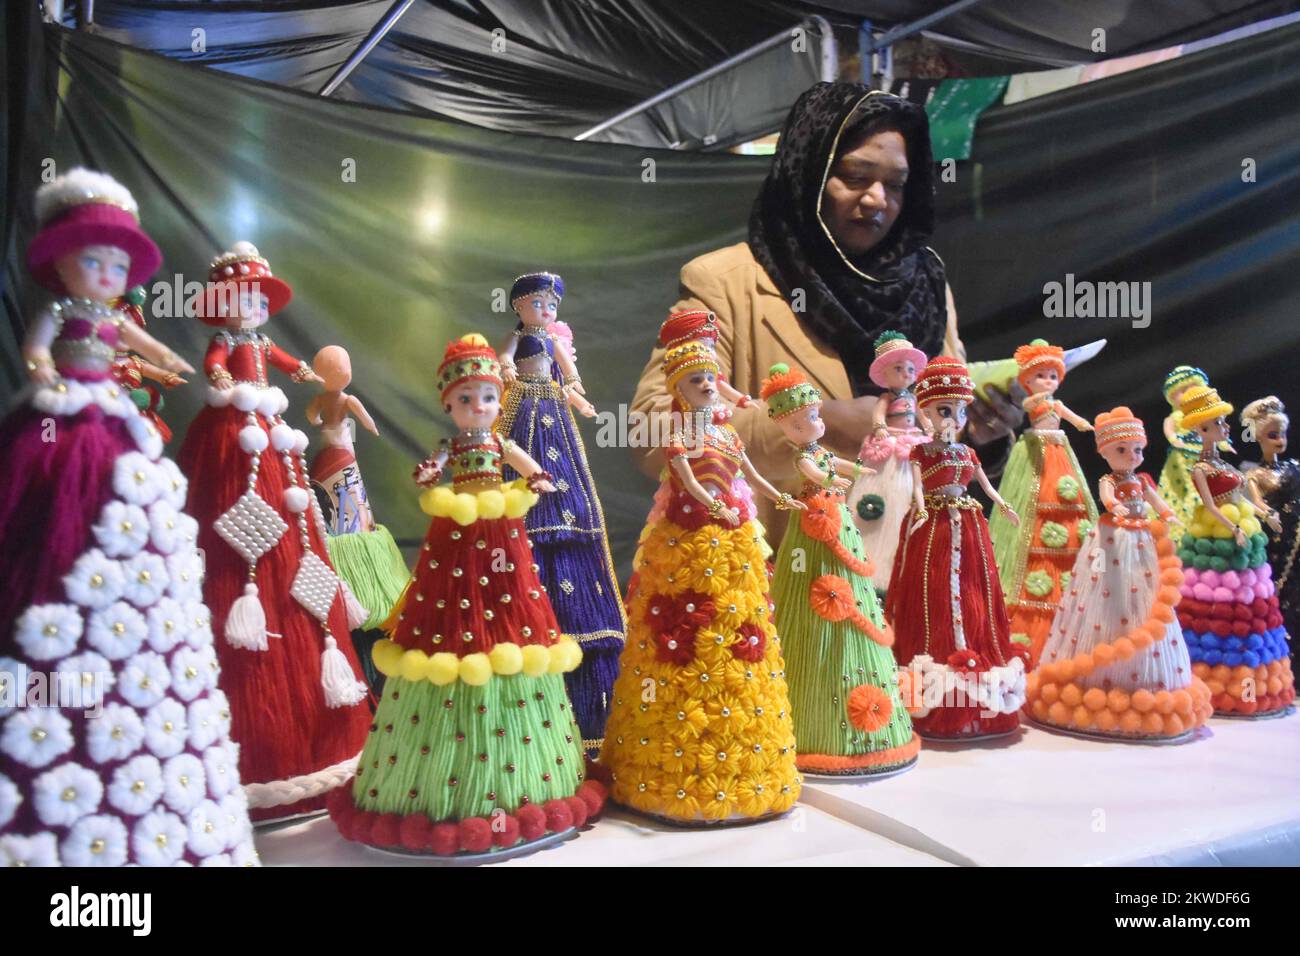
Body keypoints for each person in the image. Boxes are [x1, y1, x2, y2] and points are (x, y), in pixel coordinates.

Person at [629, 82, 1021, 537]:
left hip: (915, 575)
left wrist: (981, 437)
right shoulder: (725, 282)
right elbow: (650, 433)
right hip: (787, 582)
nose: (877, 199)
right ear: (808, 172)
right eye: (855, 177)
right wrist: (819, 423)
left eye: (895, 184)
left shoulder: (928, 284)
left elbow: (939, 433)